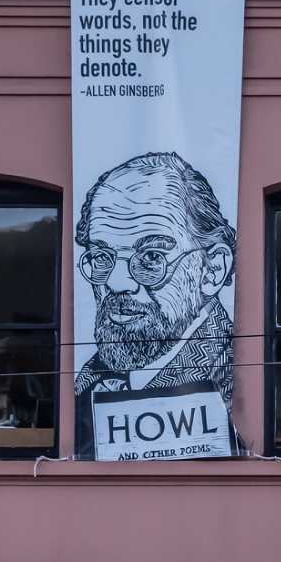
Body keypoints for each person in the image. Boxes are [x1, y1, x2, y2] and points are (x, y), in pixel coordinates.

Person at [72, 151, 238, 406]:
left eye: (151, 256)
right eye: (102, 257)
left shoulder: (227, 376)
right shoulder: (89, 380)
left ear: (212, 269)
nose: (117, 283)